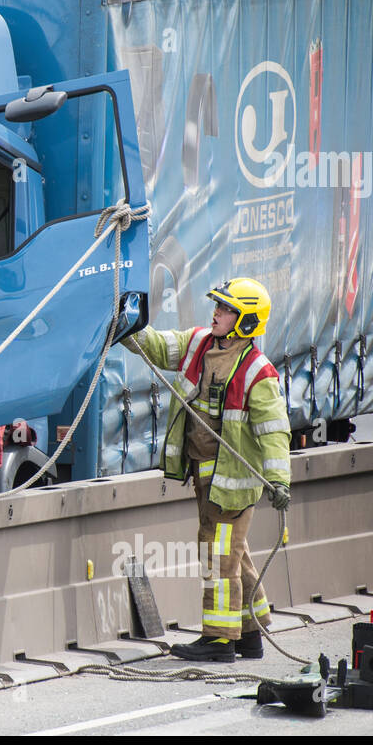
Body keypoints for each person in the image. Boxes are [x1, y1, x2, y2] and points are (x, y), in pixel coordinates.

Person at [125, 278, 291, 662]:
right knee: (233, 553)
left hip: (232, 484)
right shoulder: (199, 344)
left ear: (246, 321)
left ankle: (218, 640)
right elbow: (154, 345)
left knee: (216, 555)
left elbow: (274, 432)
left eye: (226, 309)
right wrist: (126, 326)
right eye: (217, 306)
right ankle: (250, 633)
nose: (216, 313)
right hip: (204, 475)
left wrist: (280, 480)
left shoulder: (257, 373)